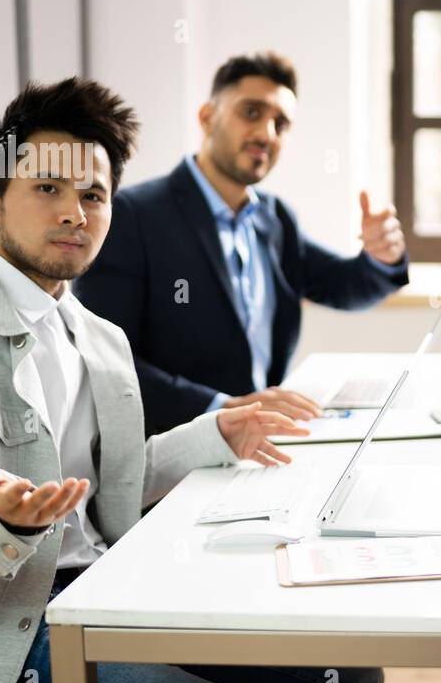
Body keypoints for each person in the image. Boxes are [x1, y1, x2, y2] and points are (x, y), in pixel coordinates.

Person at [0, 77, 383, 683]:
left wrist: (216, 433)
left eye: (93, 194)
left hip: (108, 586)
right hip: (4, 629)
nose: (75, 212)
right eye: (48, 188)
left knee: (346, 681)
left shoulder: (100, 339)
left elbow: (112, 482)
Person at [75, 51, 409, 436]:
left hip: (258, 444)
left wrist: (383, 257)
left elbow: (344, 286)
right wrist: (223, 409)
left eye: (280, 123)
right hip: (172, 455)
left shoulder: (275, 217)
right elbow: (105, 362)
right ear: (207, 118)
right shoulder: (133, 215)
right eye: (251, 112)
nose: (267, 133)